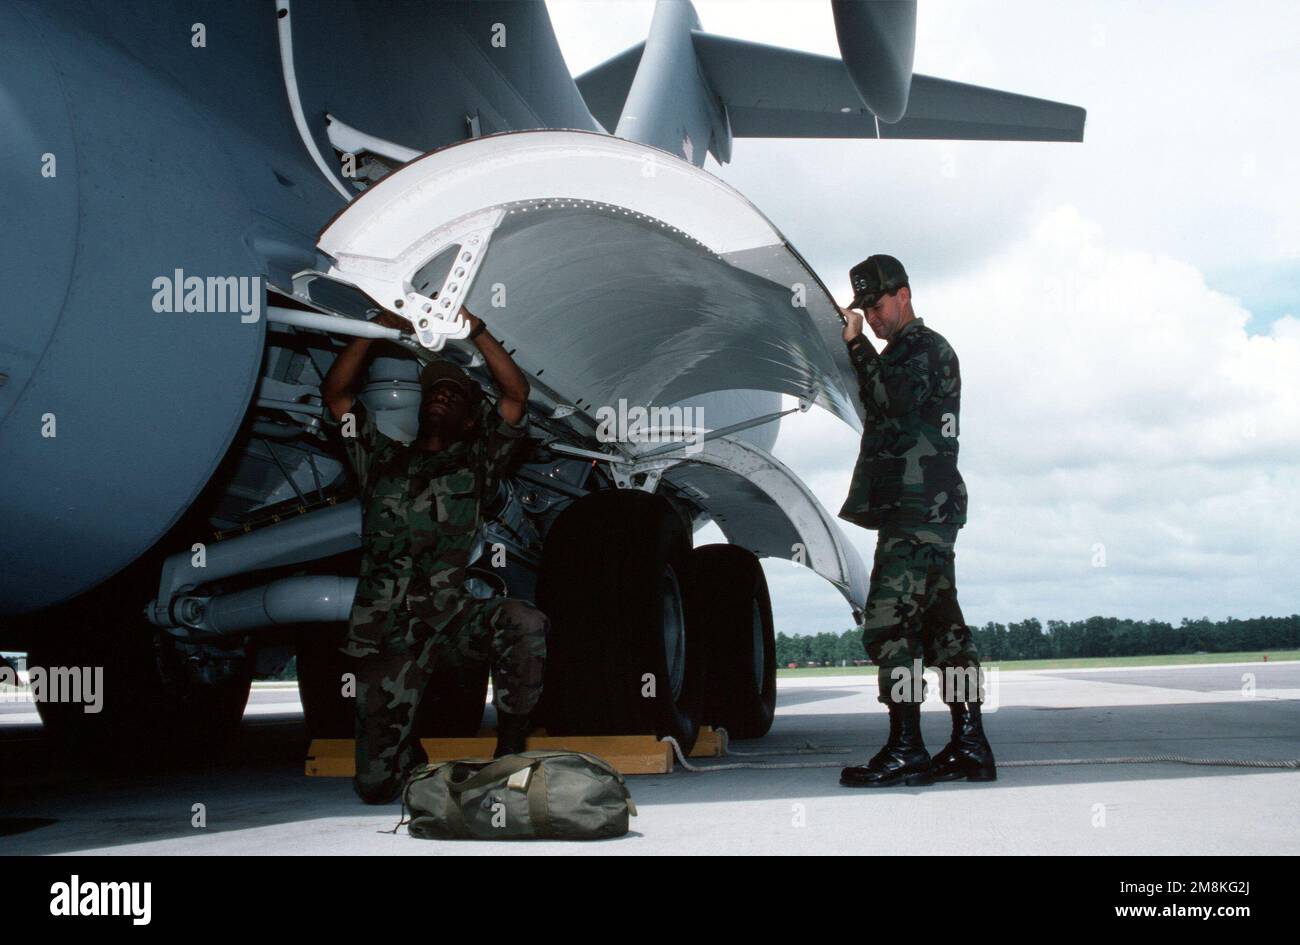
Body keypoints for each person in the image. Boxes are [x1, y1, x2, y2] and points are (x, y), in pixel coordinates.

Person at [321, 306, 548, 804]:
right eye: (435, 391)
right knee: (376, 787)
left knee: (522, 621)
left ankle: (510, 749)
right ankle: (407, 757)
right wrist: (374, 331)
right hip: (385, 633)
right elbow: (337, 396)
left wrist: (478, 331)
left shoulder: (475, 463)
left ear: (469, 417)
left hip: (449, 621)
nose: (442, 395)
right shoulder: (379, 459)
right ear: (422, 406)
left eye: (455, 394)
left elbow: (515, 396)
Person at [834, 254, 995, 787]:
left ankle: (907, 748)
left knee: (889, 626)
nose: (873, 318)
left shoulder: (923, 349)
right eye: (865, 311)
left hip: (917, 513)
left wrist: (856, 345)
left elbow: (891, 401)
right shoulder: (905, 352)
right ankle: (970, 744)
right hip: (923, 512)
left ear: (903, 294)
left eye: (876, 307)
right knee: (944, 631)